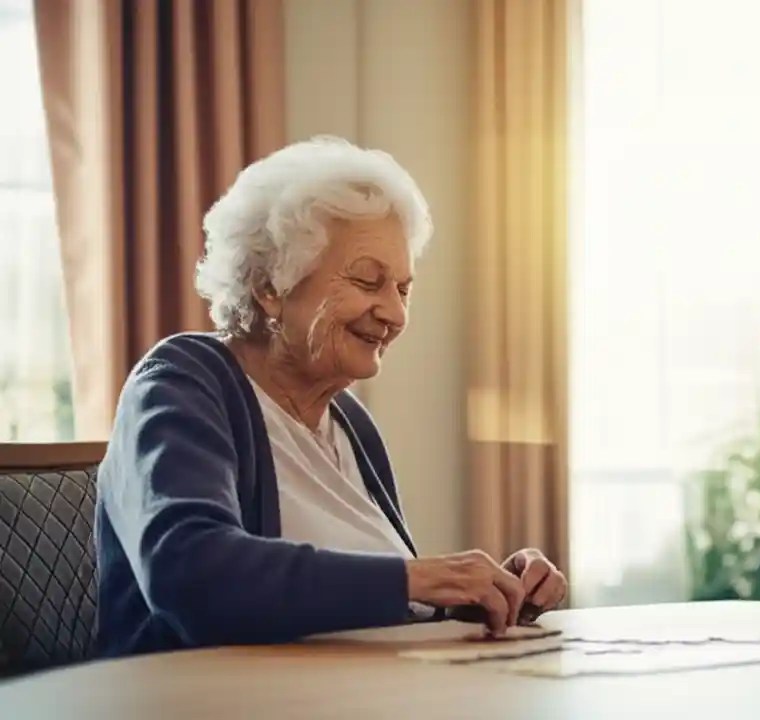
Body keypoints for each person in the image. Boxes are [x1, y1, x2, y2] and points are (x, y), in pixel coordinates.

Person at [96, 138, 566, 657]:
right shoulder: (183, 382)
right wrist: (417, 580)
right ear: (271, 286)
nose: (395, 313)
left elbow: (366, 601)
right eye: (368, 281)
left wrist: (479, 594)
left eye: (404, 289)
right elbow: (189, 573)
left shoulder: (350, 425)